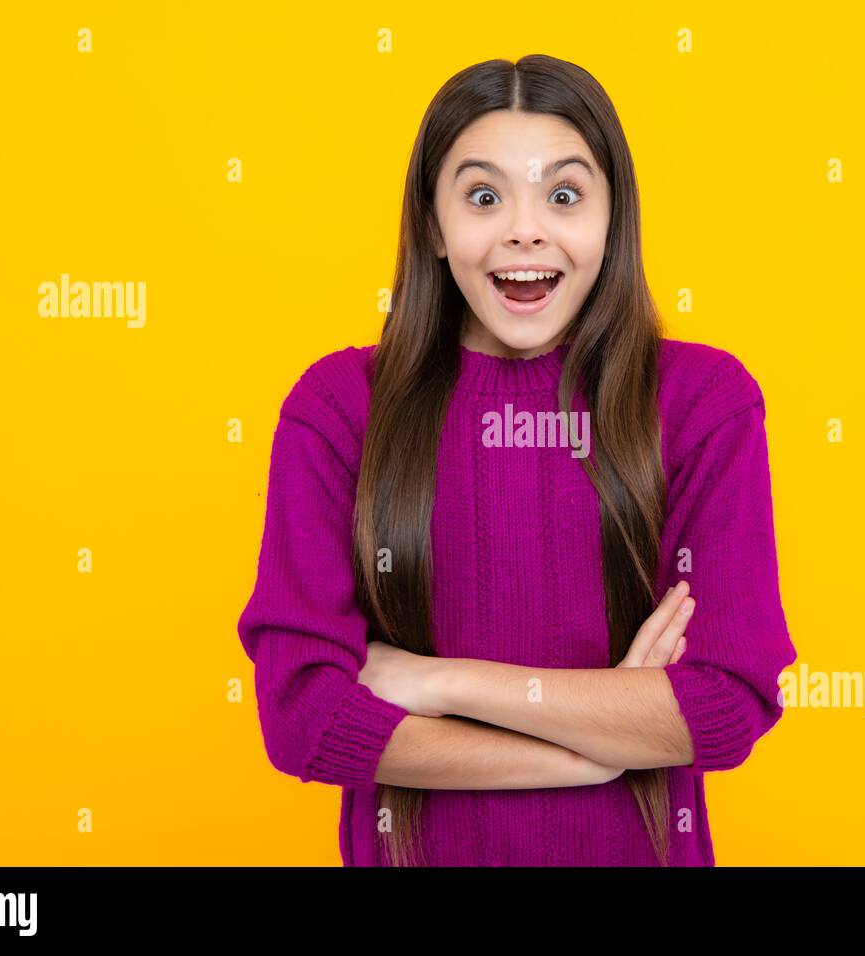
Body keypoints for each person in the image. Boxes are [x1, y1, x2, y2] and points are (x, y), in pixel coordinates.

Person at [236, 54, 796, 866]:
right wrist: (594, 750)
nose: (524, 230)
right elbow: (304, 718)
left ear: (614, 218)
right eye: (484, 196)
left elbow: (724, 702)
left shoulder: (702, 401)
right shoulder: (338, 408)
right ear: (432, 221)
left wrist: (436, 682)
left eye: (563, 195)